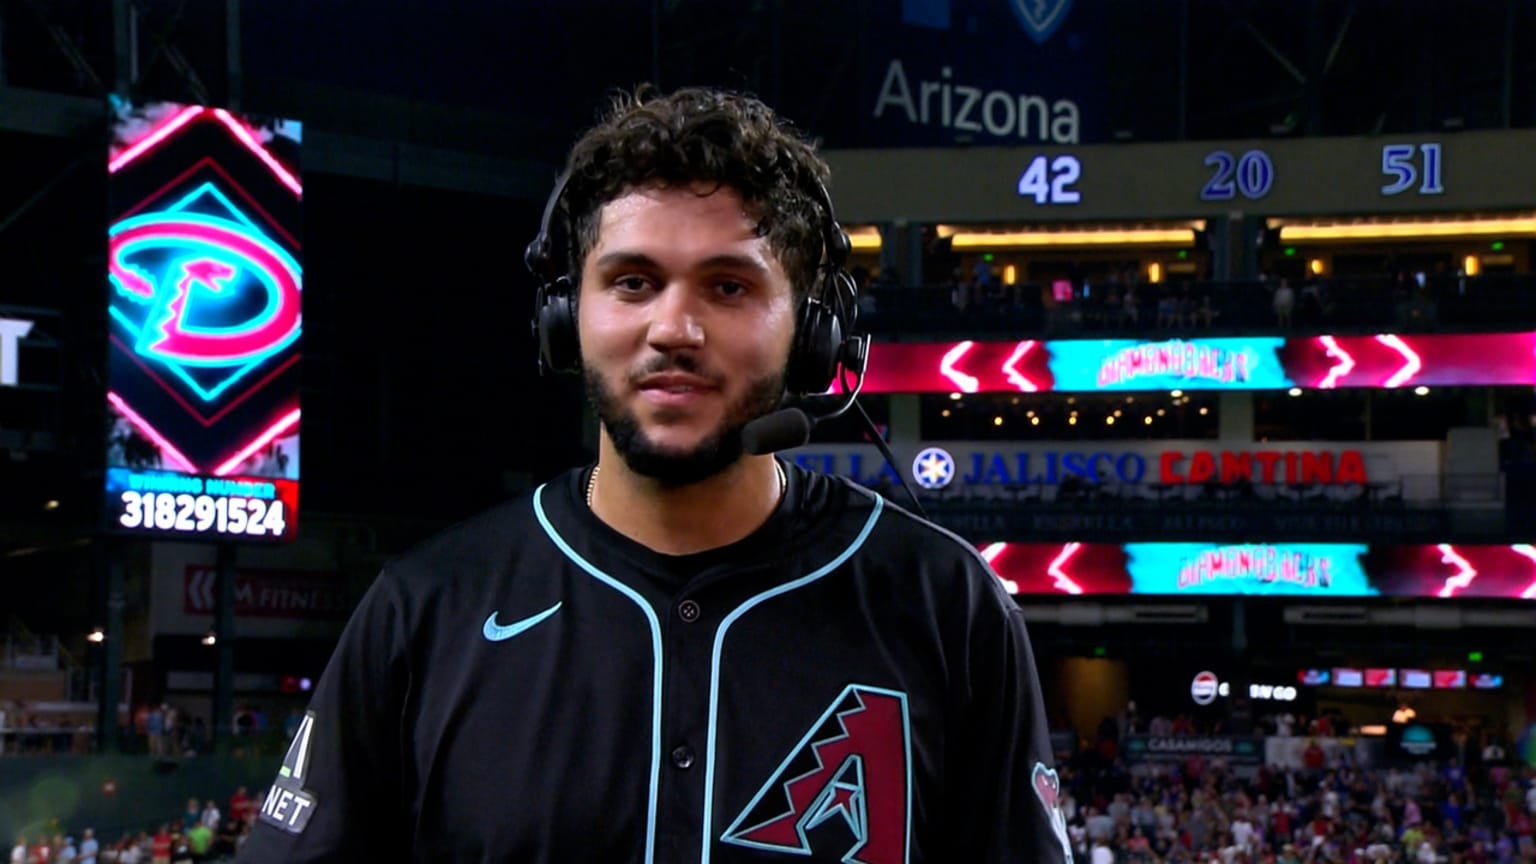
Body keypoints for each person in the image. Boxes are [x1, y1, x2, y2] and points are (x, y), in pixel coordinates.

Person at [237, 85, 1067, 863]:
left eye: (729, 286)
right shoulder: (429, 608)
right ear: (565, 319)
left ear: (813, 335)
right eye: (632, 282)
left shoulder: (946, 604)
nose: (675, 327)